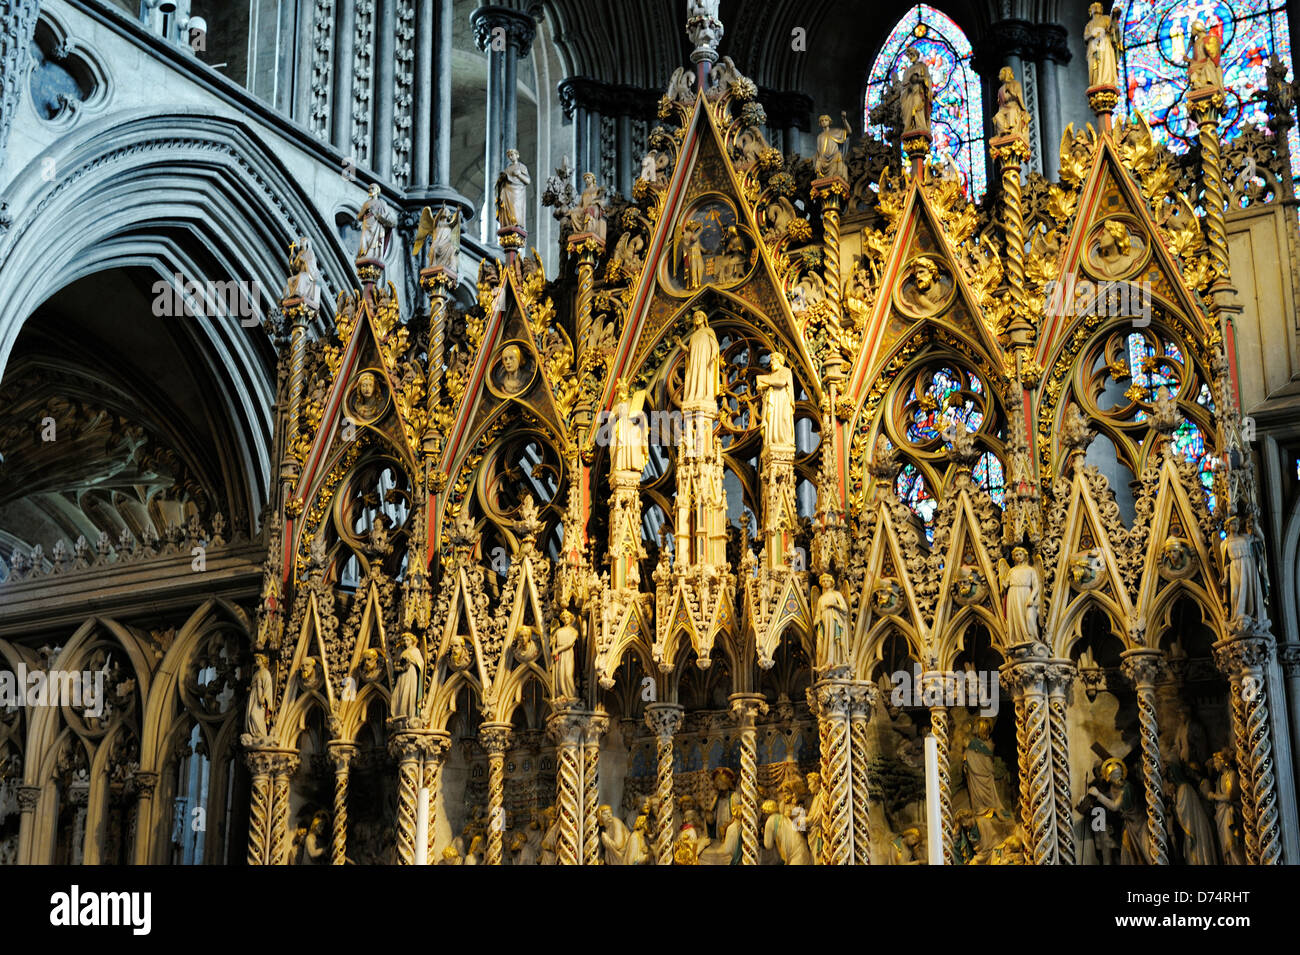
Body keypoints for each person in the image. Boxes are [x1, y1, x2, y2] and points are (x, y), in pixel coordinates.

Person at [755, 352, 795, 452]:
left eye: (773, 360)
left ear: (779, 360)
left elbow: (781, 382)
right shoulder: (771, 375)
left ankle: (783, 439)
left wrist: (766, 380)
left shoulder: (785, 371)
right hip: (772, 402)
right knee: (772, 421)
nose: (771, 363)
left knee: (783, 419)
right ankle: (772, 439)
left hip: (782, 400)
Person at [495, 148, 530, 230]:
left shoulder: (522, 167)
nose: (510, 157)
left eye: (512, 155)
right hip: (506, 192)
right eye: (509, 156)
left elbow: (527, 181)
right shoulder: (507, 169)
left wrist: (519, 175)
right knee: (506, 210)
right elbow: (500, 183)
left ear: (517, 155)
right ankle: (506, 223)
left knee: (515, 209)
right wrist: (501, 179)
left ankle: (517, 224)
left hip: (517, 193)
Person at [814, 112, 850, 180]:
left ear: (829, 122)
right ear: (820, 123)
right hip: (823, 161)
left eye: (826, 120)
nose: (824, 122)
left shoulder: (835, 132)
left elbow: (849, 132)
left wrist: (844, 120)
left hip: (834, 159)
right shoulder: (819, 137)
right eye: (822, 121)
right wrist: (818, 162)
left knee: (837, 177)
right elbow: (819, 152)